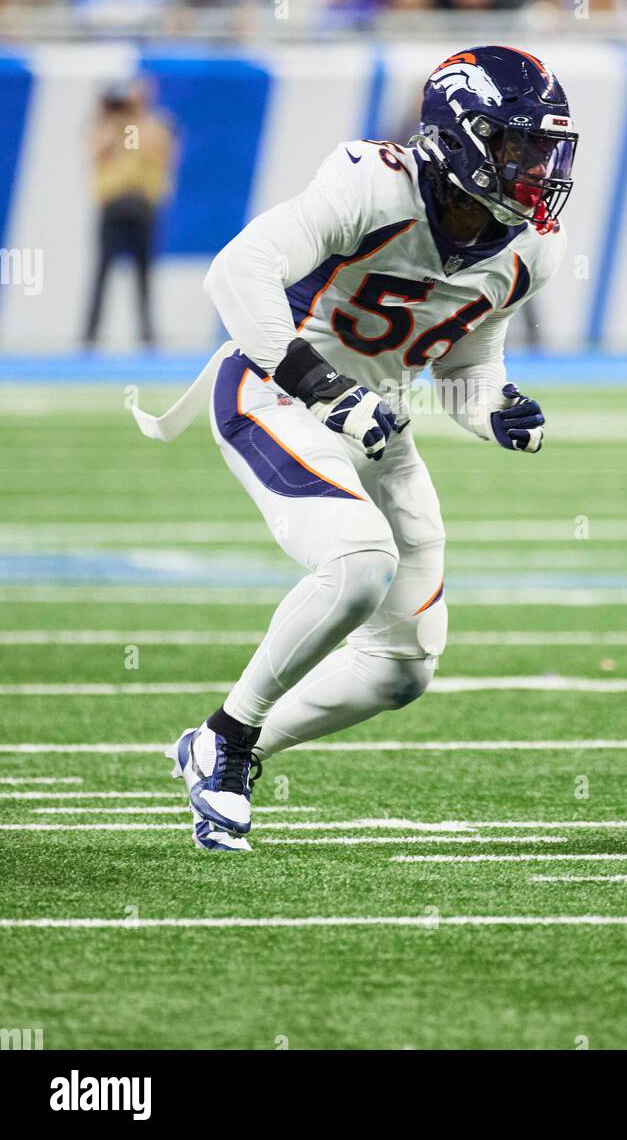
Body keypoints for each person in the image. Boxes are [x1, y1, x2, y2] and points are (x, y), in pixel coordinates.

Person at [147, 46, 577, 850]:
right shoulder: (371, 185)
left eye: (546, 149)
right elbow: (236, 273)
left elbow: (463, 362)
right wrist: (321, 387)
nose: (538, 168)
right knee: (359, 562)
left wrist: (495, 411)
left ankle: (222, 749)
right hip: (271, 390)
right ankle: (230, 735)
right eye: (520, 146)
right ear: (463, 136)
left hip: (374, 420)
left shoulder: (530, 249)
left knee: (402, 666)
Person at [83, 78, 176, 348]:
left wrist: (133, 122)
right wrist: (113, 119)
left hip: (142, 205)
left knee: (143, 275)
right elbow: (98, 151)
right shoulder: (105, 125)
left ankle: (148, 338)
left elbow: (160, 152)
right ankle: (89, 337)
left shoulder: (154, 125)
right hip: (112, 205)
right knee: (102, 273)